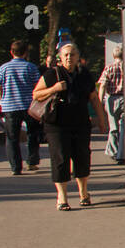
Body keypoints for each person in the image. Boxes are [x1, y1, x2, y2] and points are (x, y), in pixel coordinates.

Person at [31, 42, 107, 210]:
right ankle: (62, 197)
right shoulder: (52, 74)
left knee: (82, 157)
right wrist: (54, 89)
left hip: (80, 122)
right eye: (65, 55)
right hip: (56, 124)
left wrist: (102, 120)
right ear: (60, 57)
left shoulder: (84, 74)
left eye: (72, 54)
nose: (69, 58)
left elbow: (94, 98)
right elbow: (36, 94)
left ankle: (83, 193)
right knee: (60, 159)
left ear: (78, 57)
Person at [0, 40, 43, 175]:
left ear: (11, 52)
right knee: (32, 134)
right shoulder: (31, 67)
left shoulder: (3, 68)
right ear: (26, 53)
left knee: (12, 137)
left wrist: (3, 98)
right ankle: (32, 161)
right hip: (29, 106)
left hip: (10, 106)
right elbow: (37, 86)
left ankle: (16, 167)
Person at [98, 46, 125, 164]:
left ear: (113, 56)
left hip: (111, 100)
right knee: (124, 127)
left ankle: (113, 151)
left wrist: (100, 103)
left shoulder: (109, 68)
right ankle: (122, 154)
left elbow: (103, 86)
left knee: (113, 127)